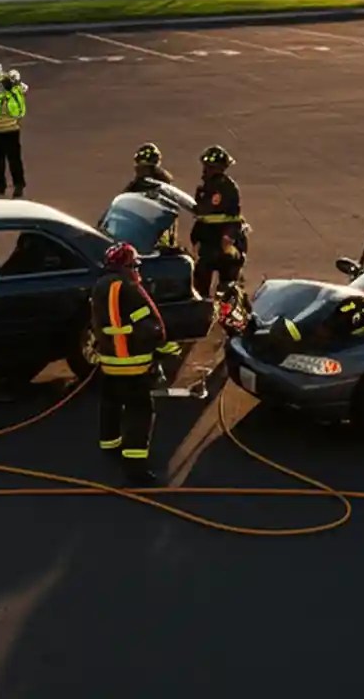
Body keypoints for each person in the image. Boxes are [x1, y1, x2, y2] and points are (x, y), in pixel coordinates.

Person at [91, 242, 181, 486]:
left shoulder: (100, 287)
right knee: (139, 412)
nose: (137, 270)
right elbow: (150, 325)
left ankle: (109, 444)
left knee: (110, 405)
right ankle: (135, 468)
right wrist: (165, 347)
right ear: (128, 266)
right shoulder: (130, 288)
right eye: (135, 265)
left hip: (108, 362)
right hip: (134, 364)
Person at [189, 145, 248, 298]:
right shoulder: (213, 187)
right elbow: (201, 217)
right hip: (214, 242)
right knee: (207, 282)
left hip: (222, 242)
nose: (204, 171)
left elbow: (229, 218)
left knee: (226, 283)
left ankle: (226, 309)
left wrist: (228, 240)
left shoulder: (219, 188)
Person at [0, 64, 28, 198]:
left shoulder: (0, 96)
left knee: (1, 160)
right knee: (11, 160)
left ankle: (2, 187)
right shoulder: (14, 94)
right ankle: (15, 185)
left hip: (2, 130)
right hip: (8, 130)